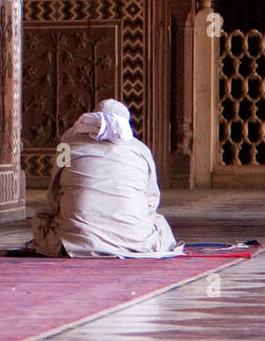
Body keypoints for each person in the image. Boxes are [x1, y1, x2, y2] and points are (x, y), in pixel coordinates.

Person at [29, 99, 183, 258]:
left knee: (45, 222)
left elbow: (55, 190)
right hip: (136, 240)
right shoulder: (141, 150)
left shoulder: (67, 144)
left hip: (75, 241)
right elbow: (151, 201)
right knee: (159, 223)